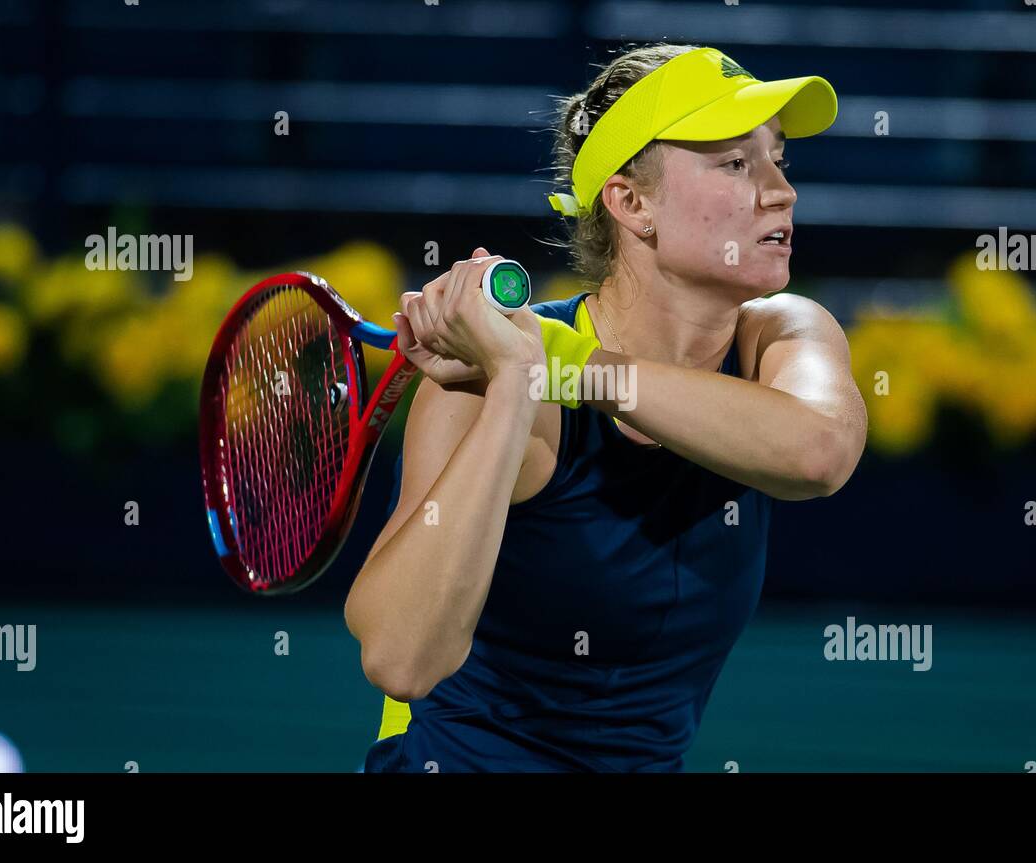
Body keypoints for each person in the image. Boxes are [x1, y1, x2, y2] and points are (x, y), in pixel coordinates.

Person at [344, 43, 867, 772]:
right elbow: (401, 657)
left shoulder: (784, 332)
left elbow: (819, 452)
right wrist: (513, 389)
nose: (781, 191)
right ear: (631, 202)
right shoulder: (490, 381)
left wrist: (562, 365)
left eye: (779, 159)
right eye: (736, 163)